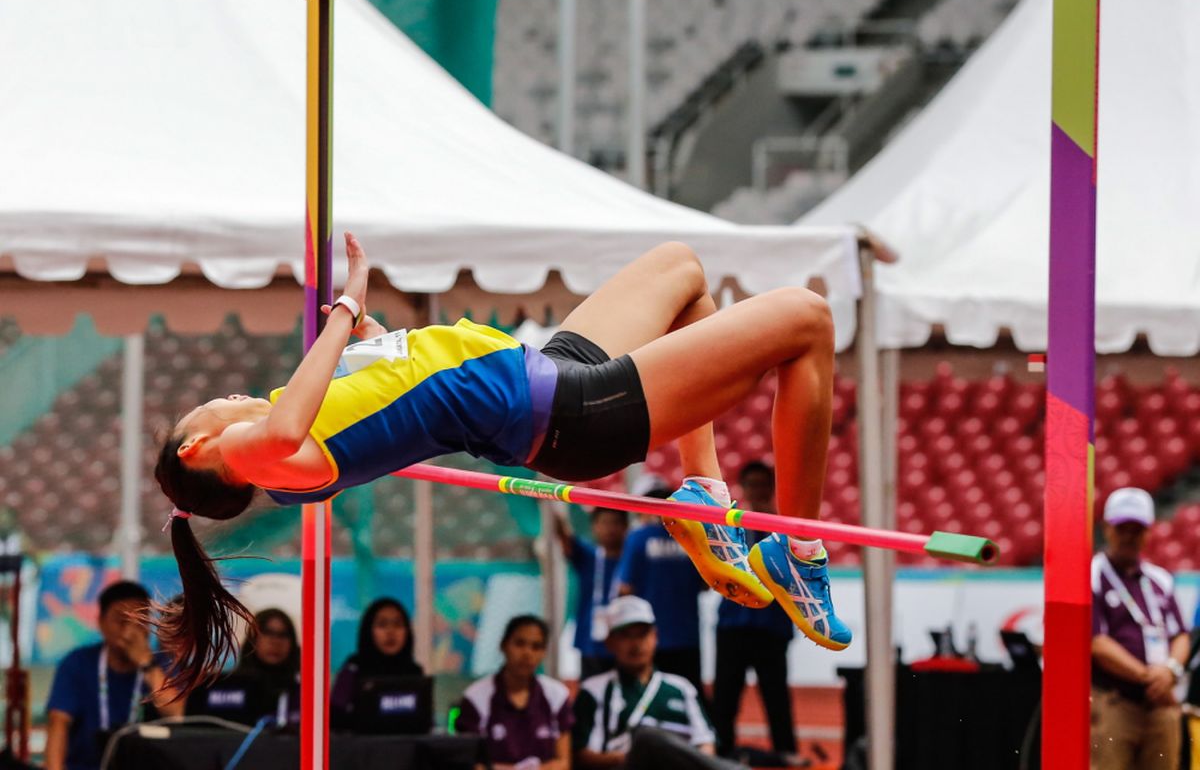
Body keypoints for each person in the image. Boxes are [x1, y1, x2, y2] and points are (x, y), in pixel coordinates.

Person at [154, 234, 849, 694]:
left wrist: (371, 340)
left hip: (544, 372)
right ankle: (799, 548)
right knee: (808, 319)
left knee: (683, 275)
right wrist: (343, 309)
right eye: (212, 403)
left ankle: (703, 494)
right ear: (198, 448)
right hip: (572, 414)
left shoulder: (298, 437)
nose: (228, 396)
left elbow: (394, 400)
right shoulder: (268, 452)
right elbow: (283, 425)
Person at [1091, 488, 1189, 770]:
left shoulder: (1160, 580)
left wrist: (1169, 669)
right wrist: (1151, 677)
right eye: (1123, 528)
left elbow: (1180, 635)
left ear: (1149, 532)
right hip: (1115, 702)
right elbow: (1096, 642)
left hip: (1161, 705)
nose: (1130, 536)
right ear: (1107, 528)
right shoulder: (1093, 575)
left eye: (1137, 529)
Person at [44, 581, 183, 770]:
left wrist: (145, 662)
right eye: (121, 621)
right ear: (101, 622)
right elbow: (58, 724)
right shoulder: (78, 663)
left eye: (141, 620)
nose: (130, 632)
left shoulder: (164, 665)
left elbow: (178, 714)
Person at [711, 461, 798, 763]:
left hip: (771, 625)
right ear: (744, 488)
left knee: (776, 694)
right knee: (725, 694)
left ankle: (785, 751)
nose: (757, 490)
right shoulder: (729, 523)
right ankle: (720, 750)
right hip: (733, 623)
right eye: (752, 485)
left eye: (763, 485)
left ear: (771, 488)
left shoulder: (786, 527)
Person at [573, 596, 717, 769]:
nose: (636, 644)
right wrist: (631, 760)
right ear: (610, 642)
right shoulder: (593, 690)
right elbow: (579, 754)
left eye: (642, 634)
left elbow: (706, 743)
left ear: (655, 637)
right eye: (626, 636)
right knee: (648, 739)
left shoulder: (681, 688)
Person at [615, 483, 709, 694]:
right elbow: (705, 585)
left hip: (646, 637)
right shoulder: (691, 538)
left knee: (645, 696)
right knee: (688, 697)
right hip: (686, 634)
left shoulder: (637, 538)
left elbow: (625, 588)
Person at [456, 615, 572, 770]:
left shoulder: (557, 695)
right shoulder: (475, 696)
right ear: (503, 646)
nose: (527, 653)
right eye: (519, 644)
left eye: (536, 647)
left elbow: (564, 762)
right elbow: (472, 764)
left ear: (544, 653)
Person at [555, 506, 629, 679]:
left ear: (625, 526)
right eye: (604, 522)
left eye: (616, 523)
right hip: (590, 643)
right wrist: (551, 501)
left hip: (624, 643)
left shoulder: (633, 558)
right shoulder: (589, 556)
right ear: (594, 527)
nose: (610, 528)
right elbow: (564, 535)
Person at [331, 597, 424, 729]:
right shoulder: (354, 667)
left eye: (397, 624)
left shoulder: (414, 672)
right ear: (369, 630)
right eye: (382, 624)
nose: (390, 632)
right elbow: (335, 715)